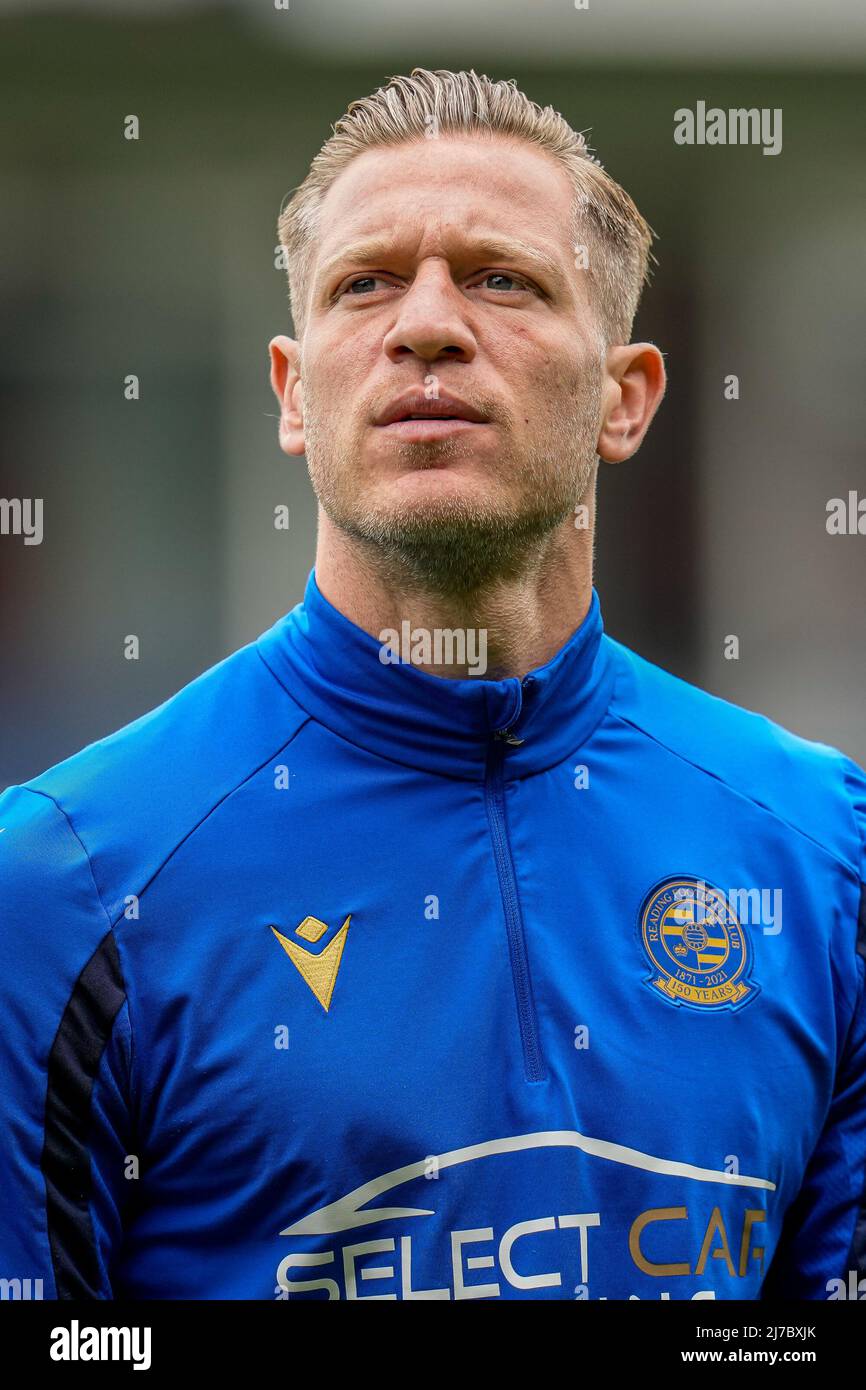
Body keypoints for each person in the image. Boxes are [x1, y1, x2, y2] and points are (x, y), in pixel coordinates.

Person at [0, 68, 863, 1302]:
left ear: (625, 398)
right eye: (365, 284)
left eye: (500, 278)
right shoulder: (64, 882)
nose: (425, 325)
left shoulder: (820, 857)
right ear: (295, 396)